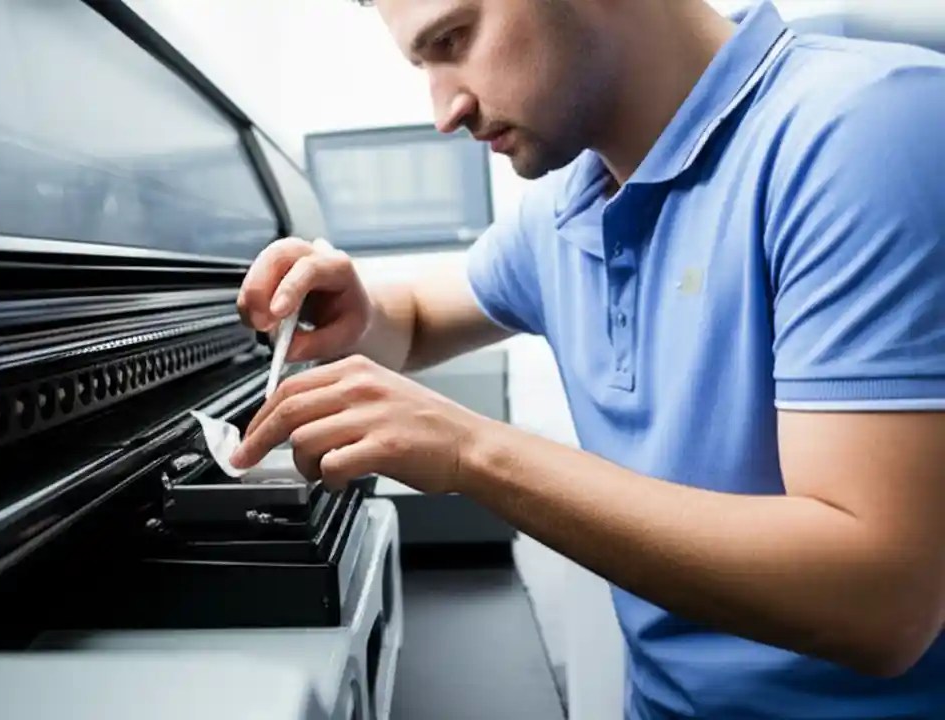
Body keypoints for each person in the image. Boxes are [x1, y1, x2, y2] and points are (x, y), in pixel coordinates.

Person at [229, 0, 945, 717]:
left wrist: (472, 453)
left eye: (454, 39)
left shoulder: (864, 131)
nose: (446, 111)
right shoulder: (571, 207)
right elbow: (413, 322)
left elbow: (881, 605)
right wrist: (361, 306)